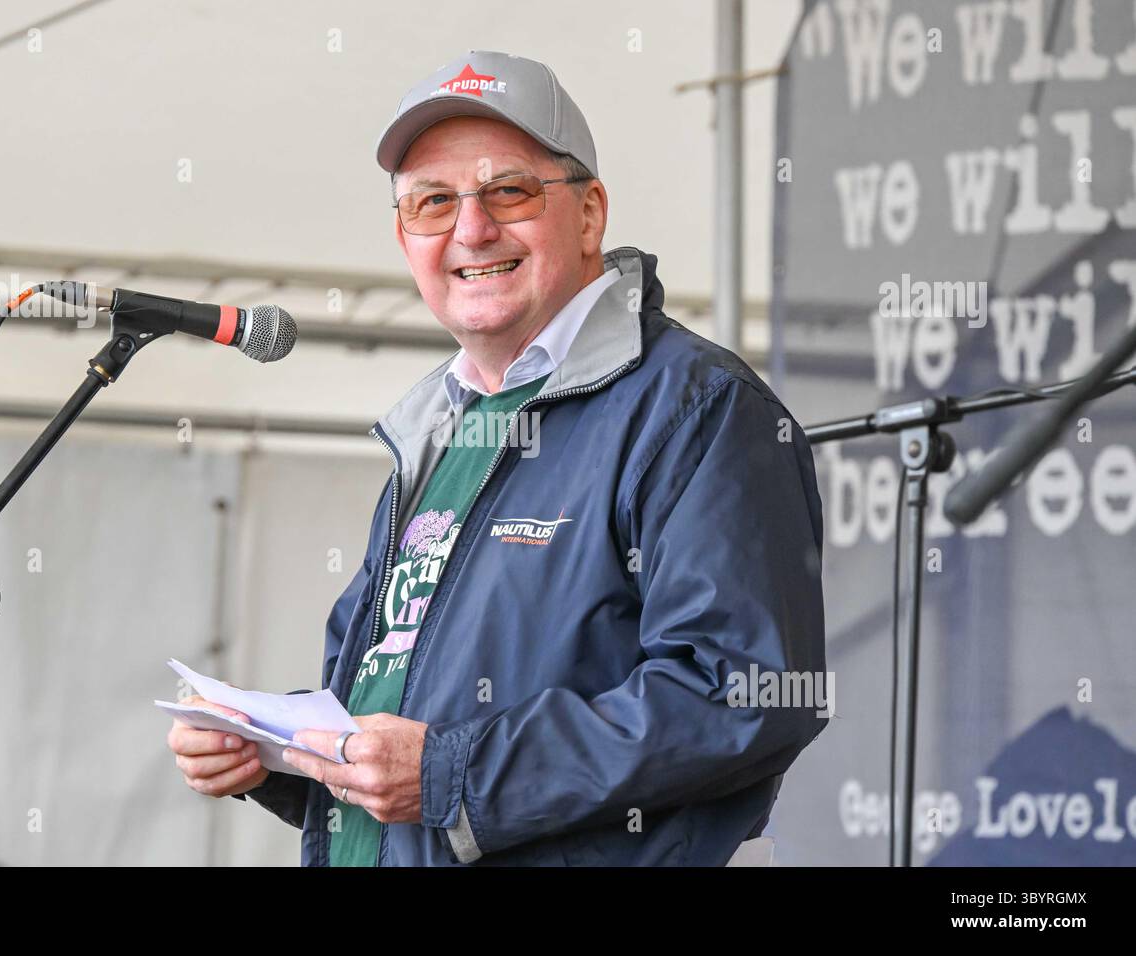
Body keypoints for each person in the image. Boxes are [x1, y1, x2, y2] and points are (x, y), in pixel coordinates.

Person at [168, 50, 827, 866]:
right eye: (433, 203)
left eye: (507, 191)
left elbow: (743, 695)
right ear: (404, 235)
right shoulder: (438, 428)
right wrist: (275, 755)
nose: (470, 229)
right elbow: (393, 718)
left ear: (589, 215)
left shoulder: (695, 406)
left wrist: (453, 772)